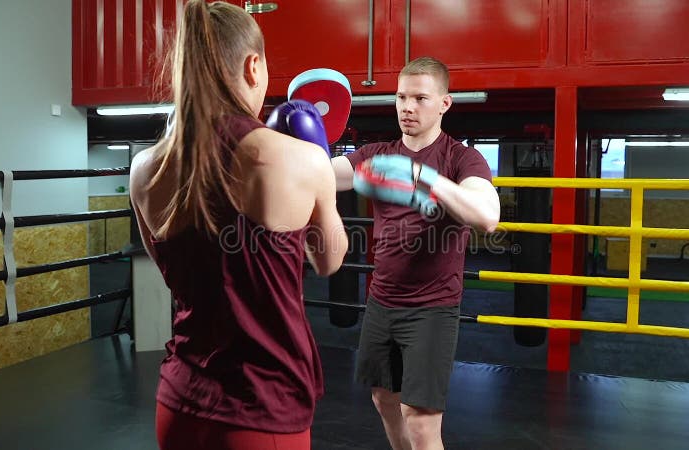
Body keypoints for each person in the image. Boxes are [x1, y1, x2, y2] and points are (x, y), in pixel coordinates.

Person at [128, 2, 348, 449]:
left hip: (177, 404)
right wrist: (319, 165)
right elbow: (328, 260)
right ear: (253, 66)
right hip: (260, 409)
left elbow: (171, 270)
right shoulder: (298, 159)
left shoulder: (143, 169)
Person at [331, 56, 500, 450]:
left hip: (432, 307)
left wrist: (424, 178)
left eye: (420, 98)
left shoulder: (461, 159)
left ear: (445, 103)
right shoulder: (377, 155)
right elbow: (323, 174)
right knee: (384, 399)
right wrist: (293, 146)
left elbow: (487, 216)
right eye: (401, 97)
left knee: (422, 423)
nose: (408, 107)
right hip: (382, 301)